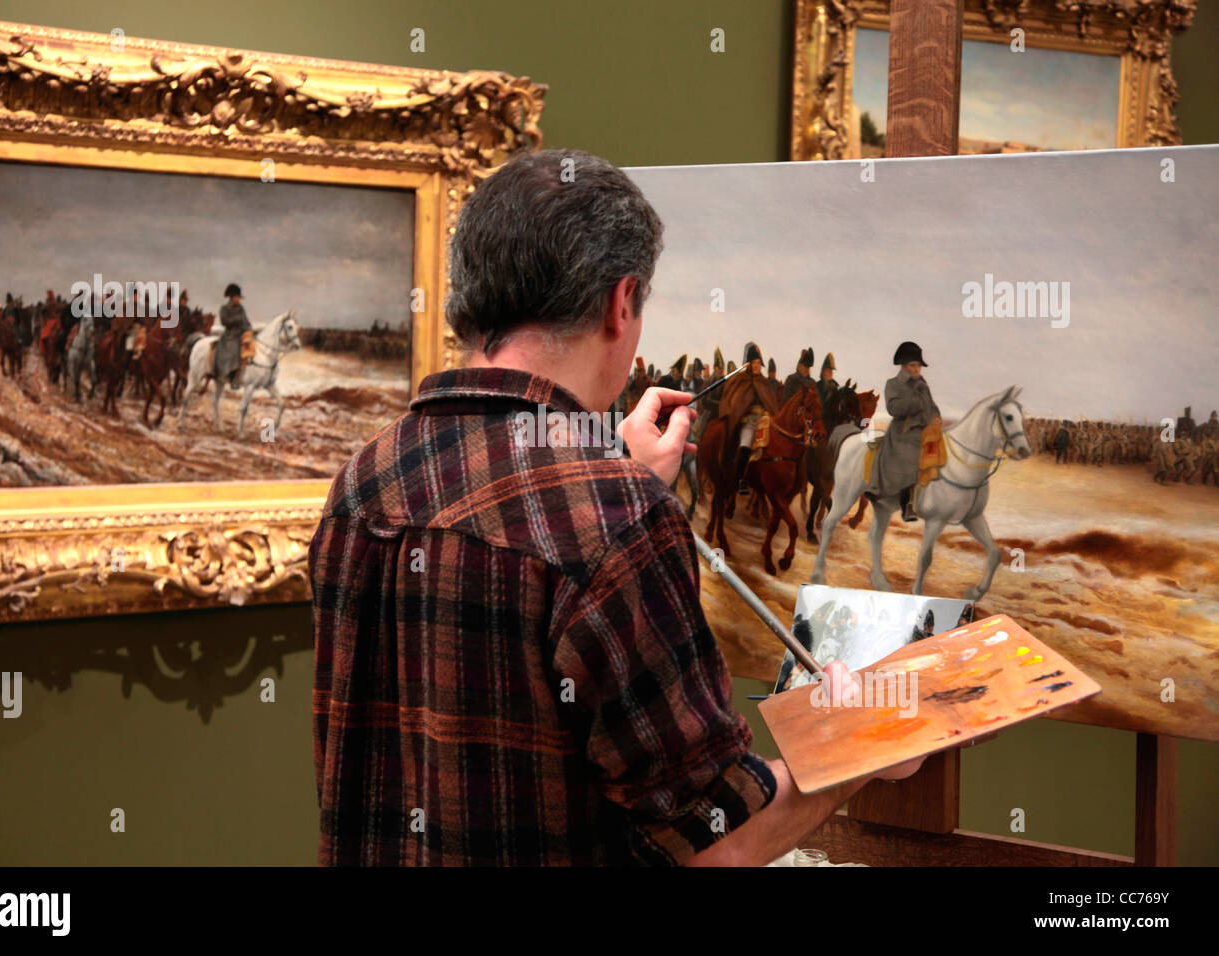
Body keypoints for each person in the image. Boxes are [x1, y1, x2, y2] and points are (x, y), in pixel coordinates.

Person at [308, 148, 923, 867]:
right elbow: (717, 844)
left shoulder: (363, 478)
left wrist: (620, 479)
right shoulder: (615, 517)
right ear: (621, 301)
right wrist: (857, 745)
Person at [873, 341, 942, 522]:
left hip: (924, 430)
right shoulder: (893, 384)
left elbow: (932, 406)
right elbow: (893, 408)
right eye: (913, 365)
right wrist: (916, 401)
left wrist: (936, 417)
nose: (917, 369)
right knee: (912, 457)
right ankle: (908, 504)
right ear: (903, 366)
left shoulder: (923, 385)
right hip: (902, 434)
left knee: (941, 452)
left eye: (919, 365)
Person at [718, 341, 780, 495]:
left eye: (759, 363)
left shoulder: (764, 382)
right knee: (745, 445)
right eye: (755, 363)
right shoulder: (741, 379)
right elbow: (733, 399)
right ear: (749, 364)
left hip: (765, 419)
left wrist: (769, 414)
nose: (757, 366)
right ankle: (740, 480)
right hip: (749, 421)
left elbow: (771, 404)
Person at [214, 283, 250, 387]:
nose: (239, 299)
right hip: (230, 335)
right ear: (232, 297)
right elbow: (224, 321)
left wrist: (249, 328)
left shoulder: (241, 308)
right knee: (235, 348)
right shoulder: (224, 308)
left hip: (241, 333)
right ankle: (231, 376)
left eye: (239, 297)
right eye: (237, 297)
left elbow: (246, 321)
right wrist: (236, 320)